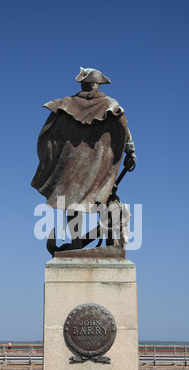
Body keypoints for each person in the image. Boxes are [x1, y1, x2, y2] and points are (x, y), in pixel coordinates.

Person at [31, 67, 137, 251]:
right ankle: (107, 241)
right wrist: (131, 152)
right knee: (102, 198)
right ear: (97, 85)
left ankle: (80, 242)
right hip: (99, 164)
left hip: (73, 165)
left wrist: (52, 158)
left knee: (73, 201)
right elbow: (124, 128)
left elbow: (47, 135)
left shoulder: (66, 104)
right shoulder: (110, 104)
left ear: (83, 84)